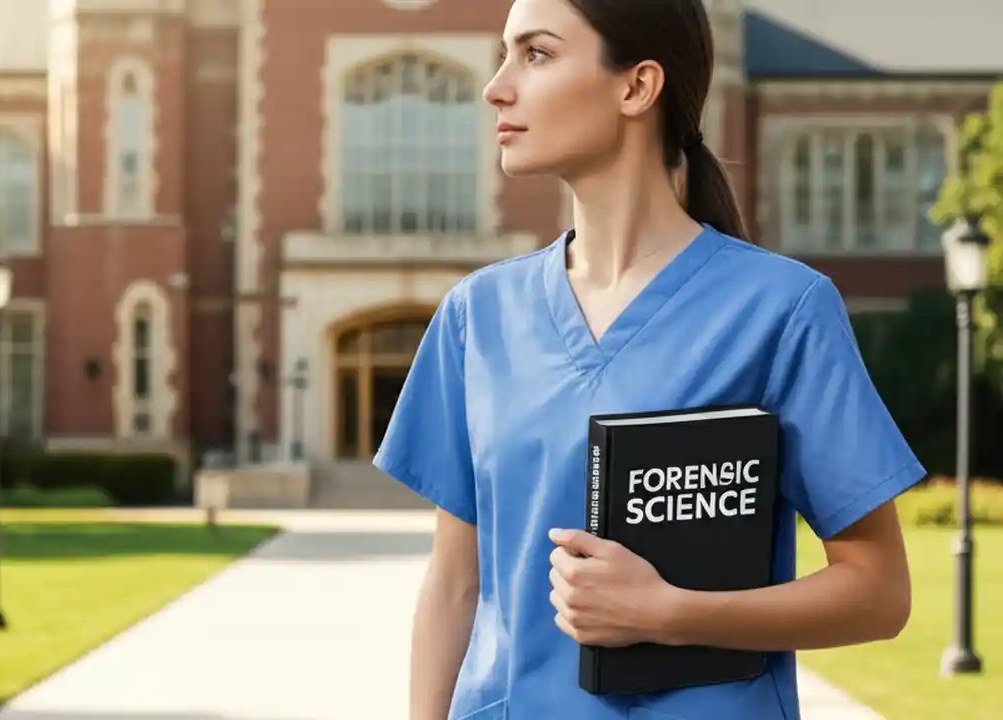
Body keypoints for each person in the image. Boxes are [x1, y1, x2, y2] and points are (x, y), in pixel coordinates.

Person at [371, 0, 927, 718]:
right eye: (503, 55)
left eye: (536, 54)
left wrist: (667, 612)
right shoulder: (477, 317)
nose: (496, 86)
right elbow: (455, 586)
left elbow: (878, 592)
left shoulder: (781, 311)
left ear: (636, 87)